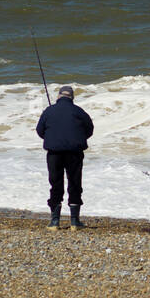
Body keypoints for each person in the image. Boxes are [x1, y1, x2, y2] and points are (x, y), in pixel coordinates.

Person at [35, 85, 94, 230]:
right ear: (72, 97)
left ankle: (54, 222)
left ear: (58, 96)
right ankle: (75, 222)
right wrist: (77, 139)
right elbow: (89, 129)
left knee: (55, 183)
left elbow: (40, 130)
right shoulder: (79, 111)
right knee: (74, 183)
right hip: (74, 152)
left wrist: (52, 138)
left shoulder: (49, 111)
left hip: (54, 153)